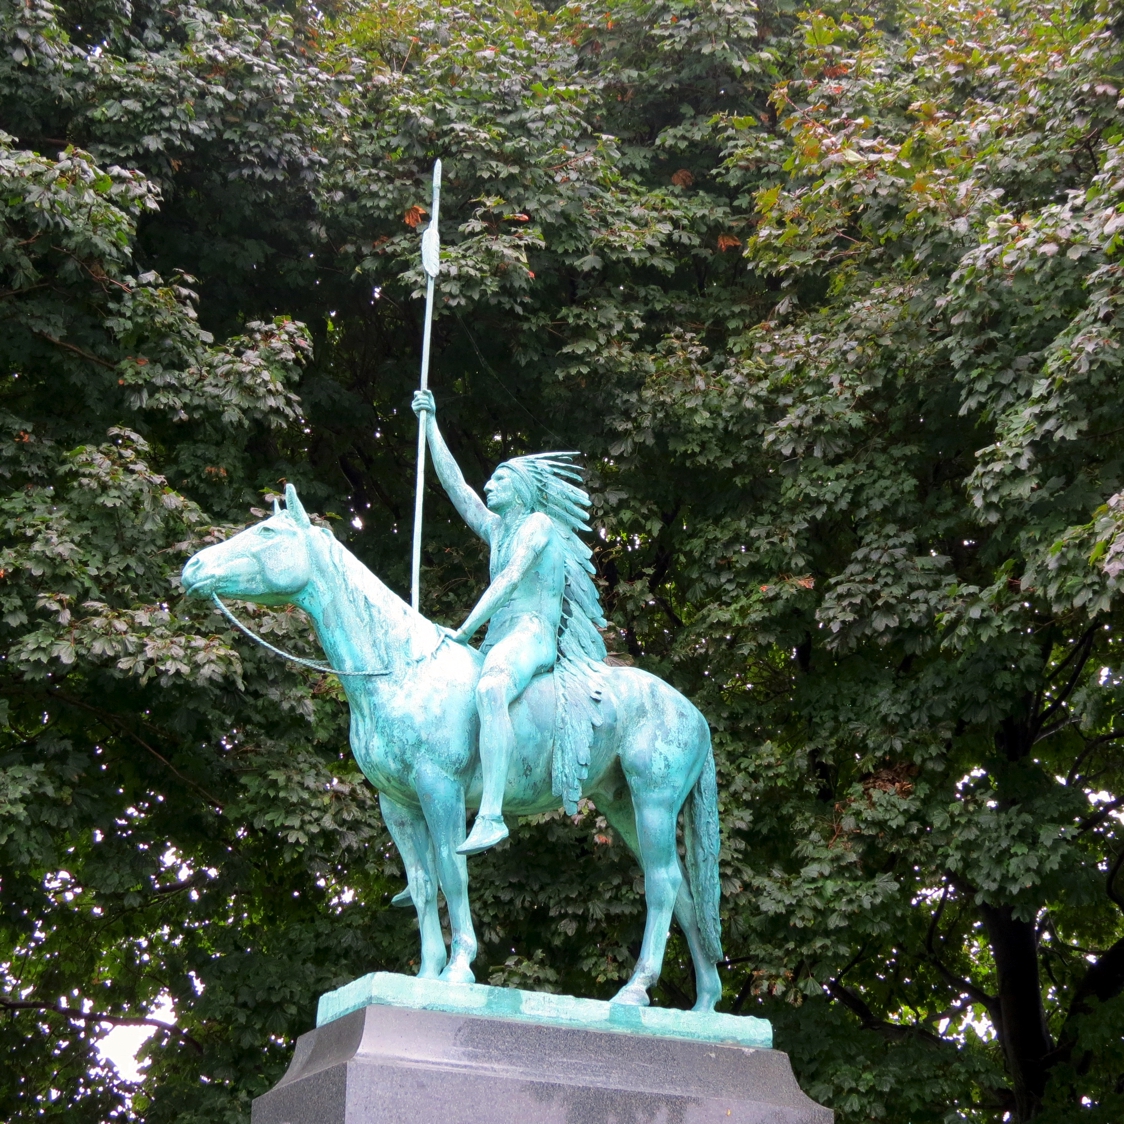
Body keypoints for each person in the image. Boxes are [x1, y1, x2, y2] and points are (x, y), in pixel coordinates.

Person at [411, 389, 605, 854]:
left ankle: (492, 814)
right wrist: (431, 425)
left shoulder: (536, 524)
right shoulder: (498, 527)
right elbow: (456, 487)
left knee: (490, 688)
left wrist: (462, 631)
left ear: (521, 488)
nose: (489, 485)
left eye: (499, 479)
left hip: (532, 632)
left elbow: (509, 581)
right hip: (502, 635)